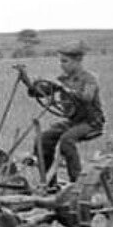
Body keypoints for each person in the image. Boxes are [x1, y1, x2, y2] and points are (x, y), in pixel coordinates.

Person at [34, 41, 105, 185]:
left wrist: (65, 89)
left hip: (91, 123)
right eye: (60, 61)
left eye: (65, 61)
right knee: (43, 140)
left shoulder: (89, 78)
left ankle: (77, 183)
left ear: (77, 61)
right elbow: (43, 92)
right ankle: (49, 183)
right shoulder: (63, 79)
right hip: (73, 122)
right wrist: (32, 85)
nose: (62, 65)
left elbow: (87, 97)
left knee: (66, 141)